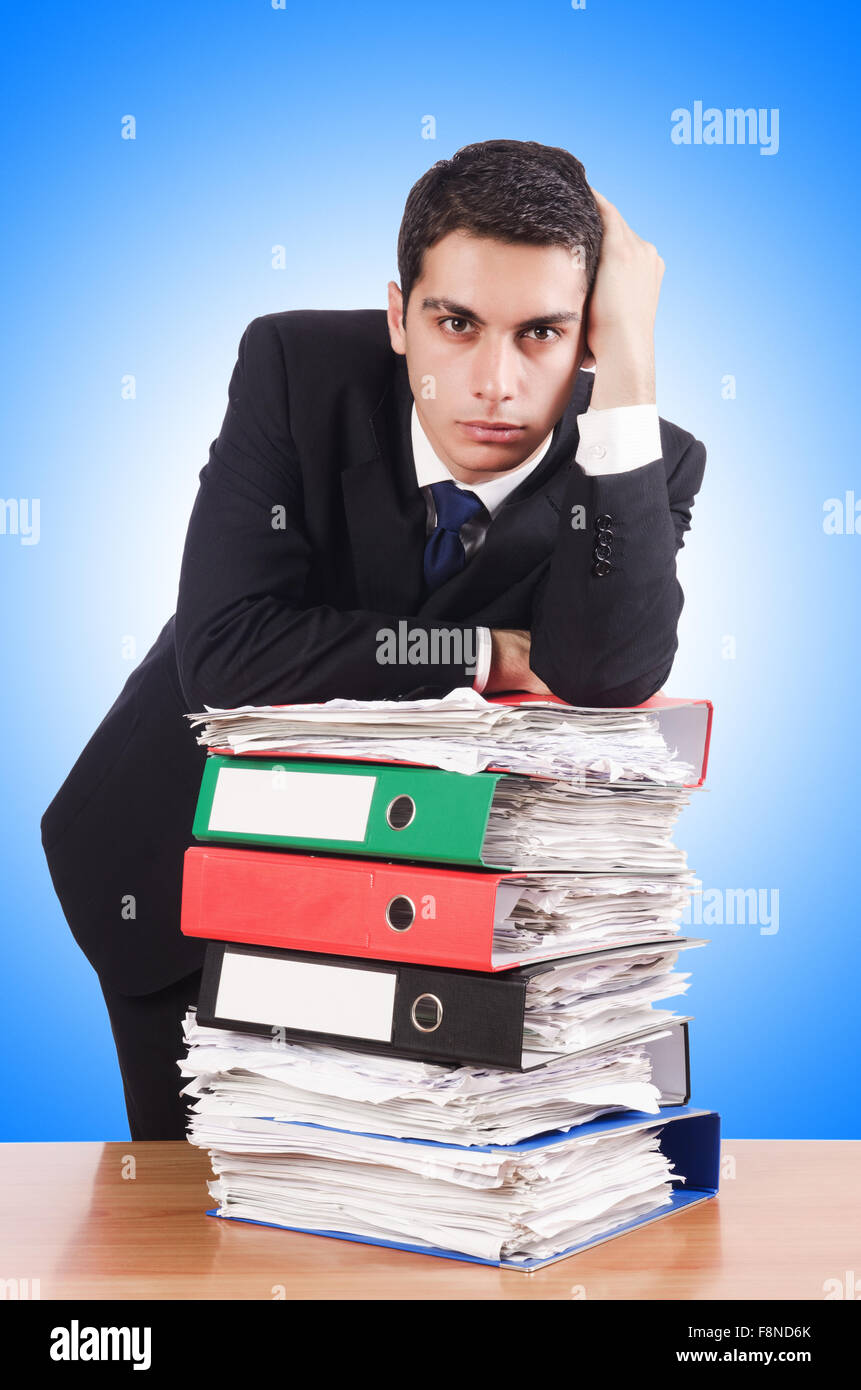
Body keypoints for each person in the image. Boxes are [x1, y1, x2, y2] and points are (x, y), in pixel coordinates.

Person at [40, 139, 706, 1139]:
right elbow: (228, 653)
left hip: (413, 907)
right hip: (178, 872)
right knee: (201, 1219)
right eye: (456, 324)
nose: (495, 383)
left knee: (395, 1209)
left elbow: (608, 670)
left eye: (541, 333)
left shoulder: (636, 462)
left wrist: (635, 371)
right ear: (399, 316)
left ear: (591, 341)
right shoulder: (296, 371)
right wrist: (484, 654)